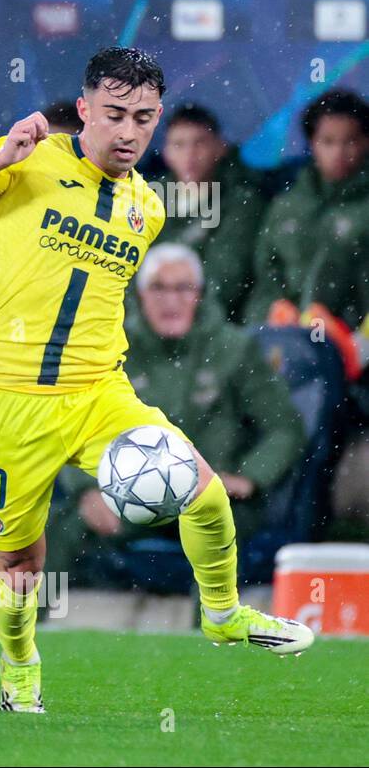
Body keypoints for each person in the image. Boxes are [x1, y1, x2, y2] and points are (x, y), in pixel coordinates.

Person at [0, 46, 313, 713]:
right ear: (86, 110)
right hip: (9, 398)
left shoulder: (146, 208)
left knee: (204, 492)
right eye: (116, 114)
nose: (129, 133)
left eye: (144, 118)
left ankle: (223, 614)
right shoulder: (29, 159)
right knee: (18, 564)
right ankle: (19, 666)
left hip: (99, 390)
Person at [49, 244, 305, 581]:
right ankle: (25, 626)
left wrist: (249, 476)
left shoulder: (233, 348)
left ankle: (213, 630)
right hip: (133, 495)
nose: (171, 300)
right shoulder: (113, 346)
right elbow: (72, 423)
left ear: (199, 294)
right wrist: (85, 488)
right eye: (158, 287)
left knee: (222, 532)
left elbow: (284, 428)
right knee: (59, 527)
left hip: (208, 493)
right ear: (140, 294)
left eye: (183, 288)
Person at [248, 88, 369, 380]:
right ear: (312, 144)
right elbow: (264, 278)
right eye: (328, 141)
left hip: (356, 363)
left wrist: (360, 345)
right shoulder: (286, 206)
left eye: (349, 141)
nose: (339, 152)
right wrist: (271, 313)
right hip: (287, 356)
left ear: (366, 142)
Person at [153, 104, 270, 322]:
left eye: (199, 143)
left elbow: (227, 277)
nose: (190, 154)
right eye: (179, 145)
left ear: (220, 147)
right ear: (167, 153)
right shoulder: (148, 199)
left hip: (213, 327)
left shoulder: (242, 202)